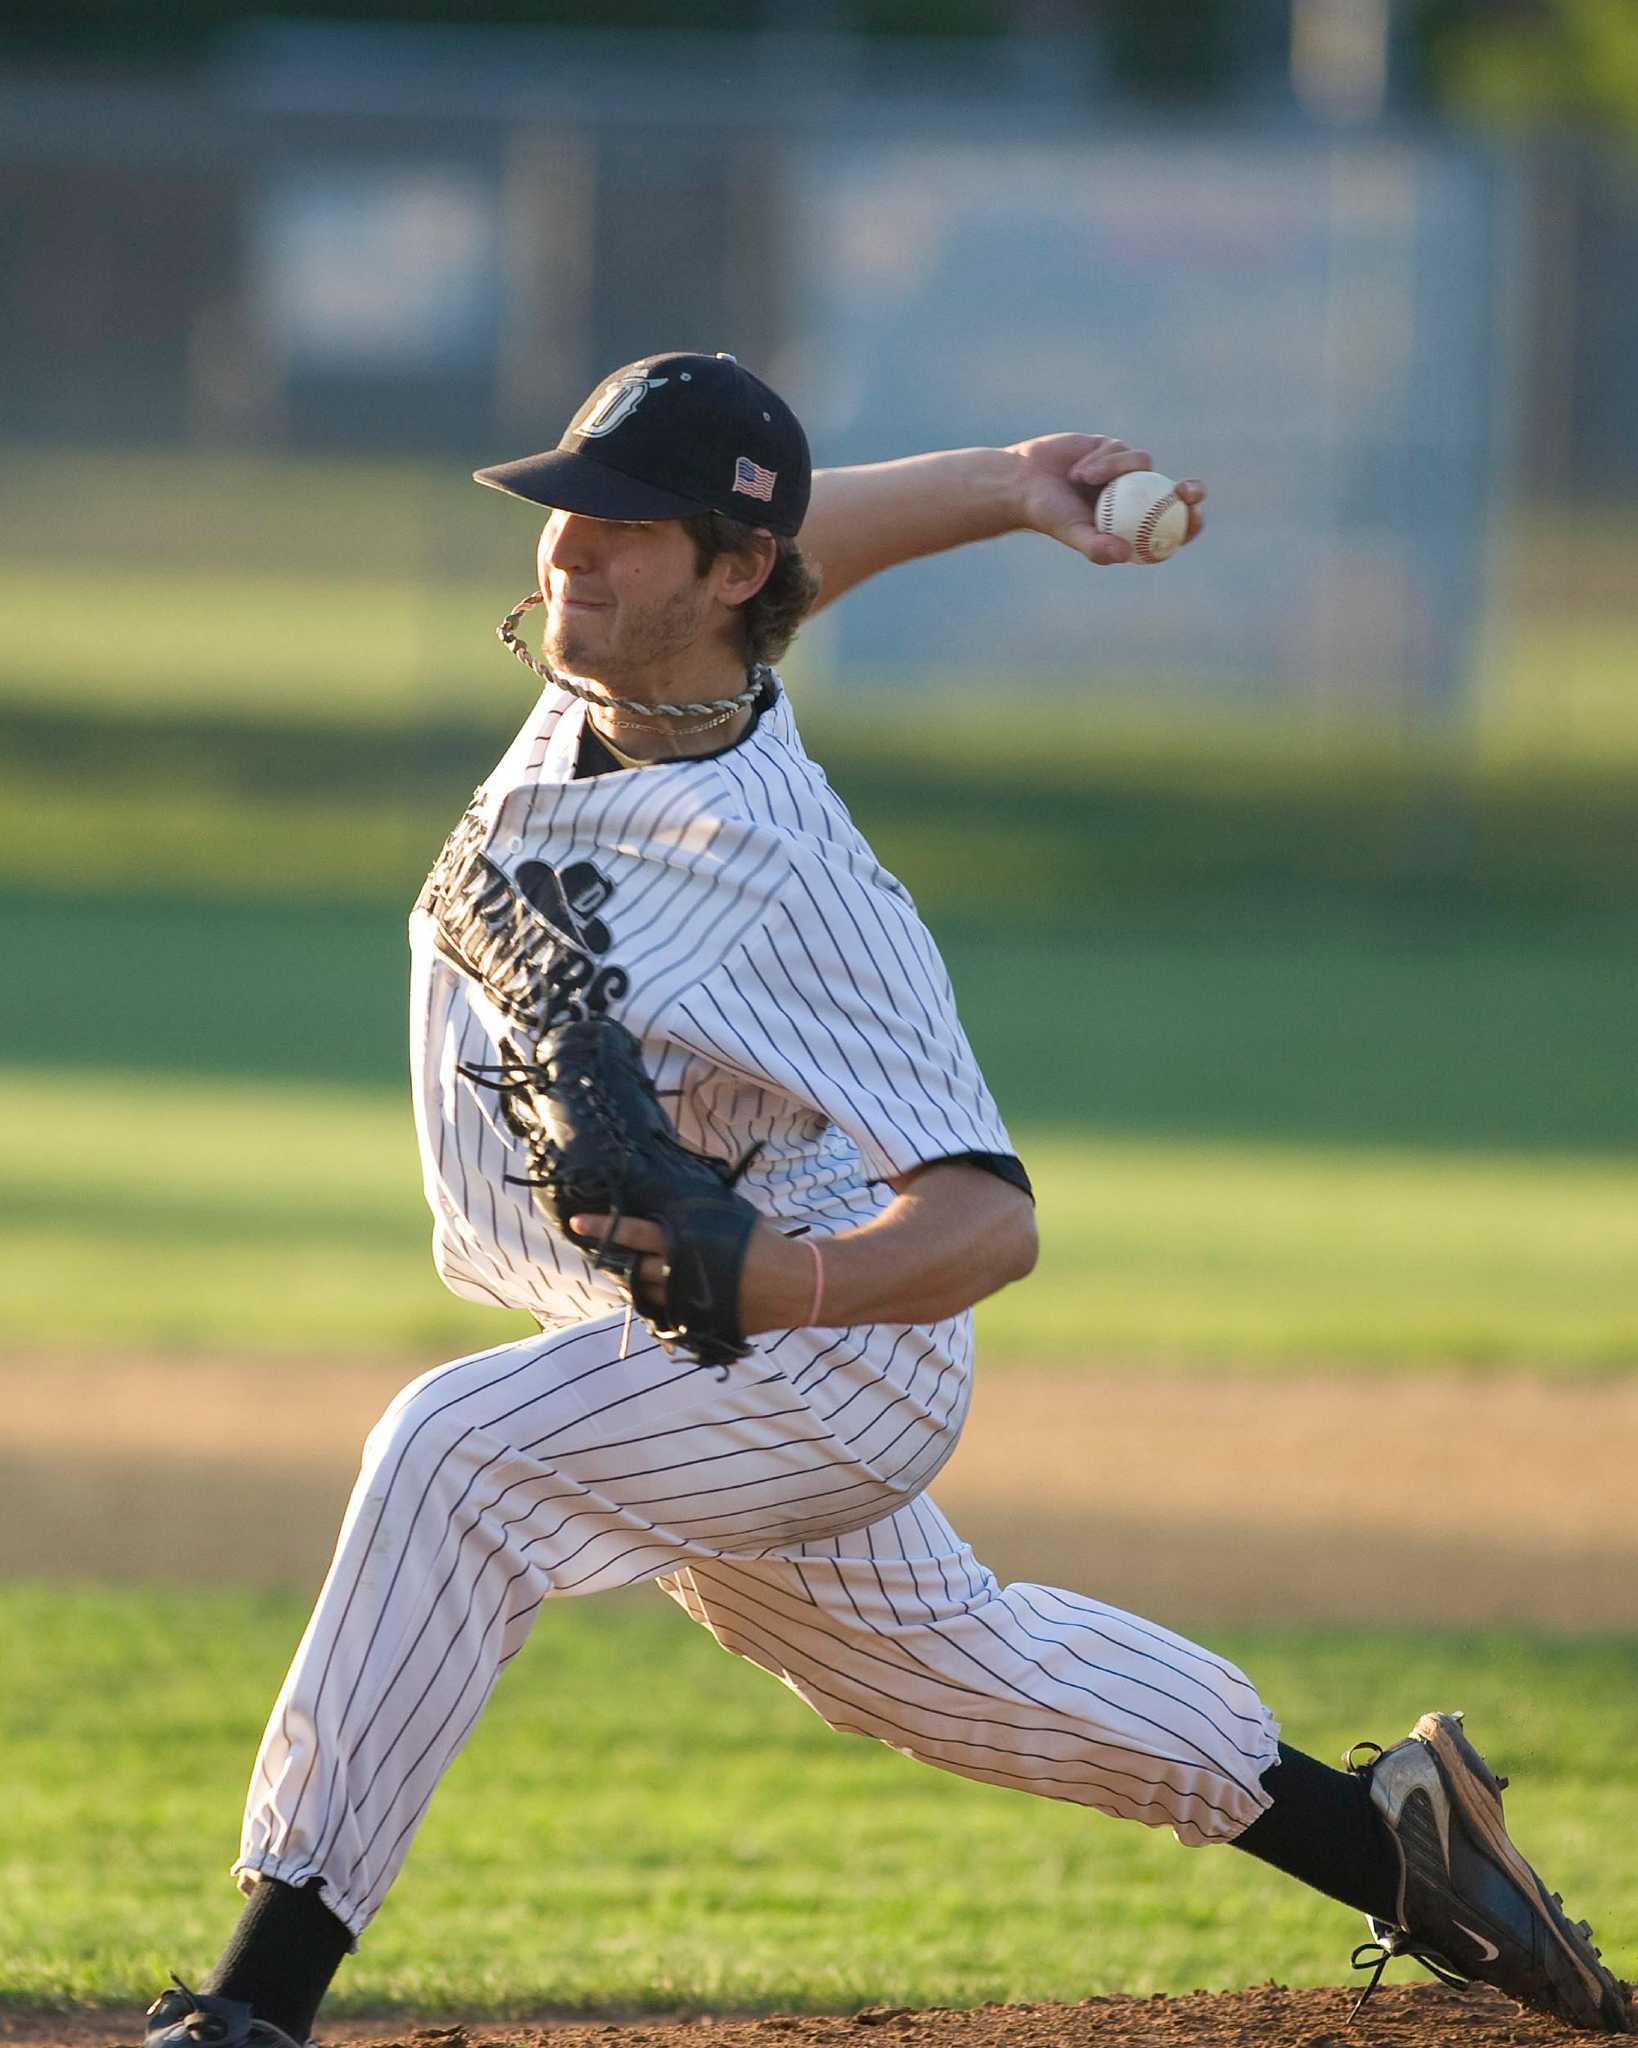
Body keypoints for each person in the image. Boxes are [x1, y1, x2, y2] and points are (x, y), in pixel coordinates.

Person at [145, 353, 1630, 2047]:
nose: (568, 554)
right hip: (674, 1329)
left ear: (722, 578)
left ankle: (259, 2000)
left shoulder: (790, 875)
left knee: (450, 1454)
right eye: (569, 515)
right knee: (952, 1675)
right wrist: (1008, 482)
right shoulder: (609, 680)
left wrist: (778, 1281)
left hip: (824, 1339)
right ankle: (1387, 1842)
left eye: (623, 530)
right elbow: (806, 545)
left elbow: (990, 1221)